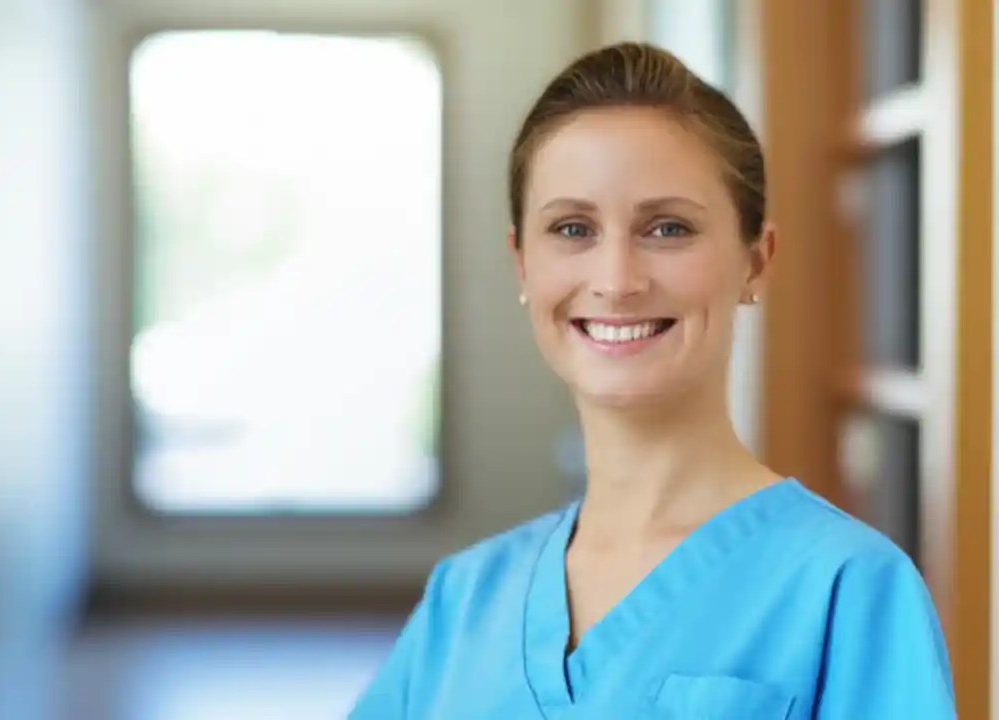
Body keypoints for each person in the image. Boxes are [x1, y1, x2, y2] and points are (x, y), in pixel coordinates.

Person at [349, 42, 954, 719]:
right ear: (522, 263)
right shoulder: (463, 601)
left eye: (668, 228)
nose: (616, 281)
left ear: (757, 260)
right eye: (572, 228)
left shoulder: (846, 589)